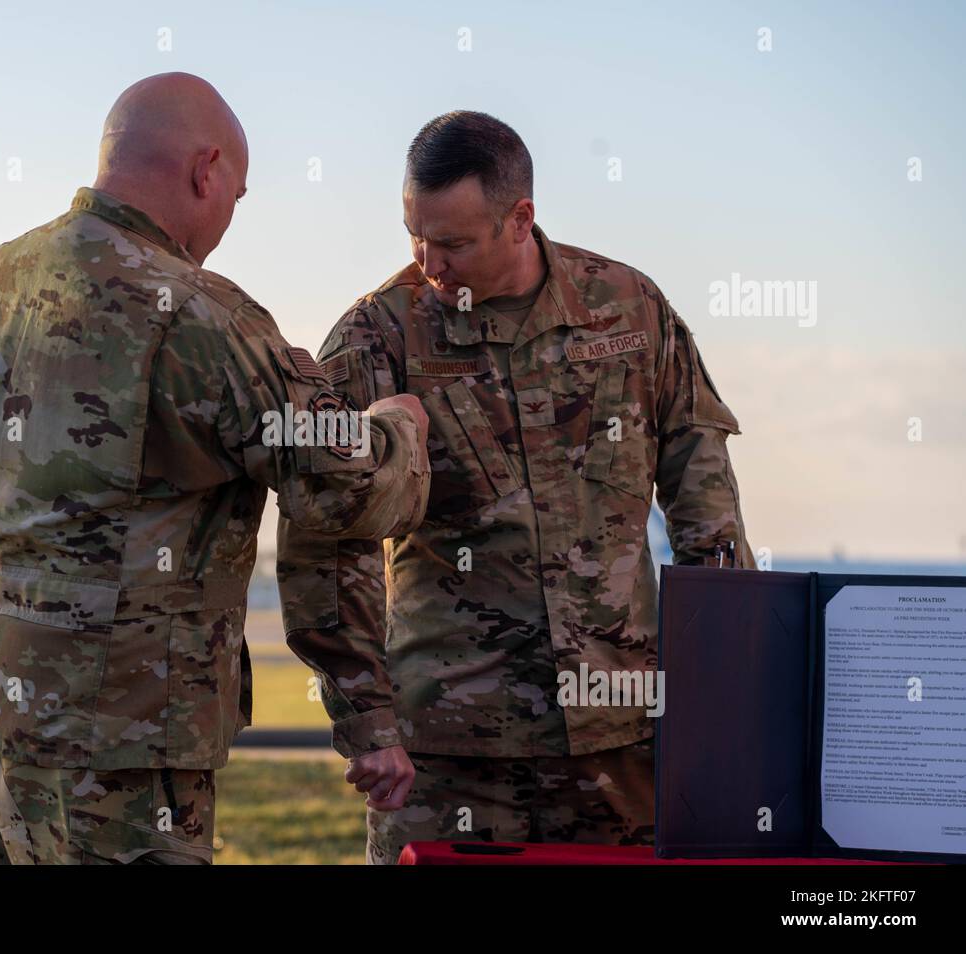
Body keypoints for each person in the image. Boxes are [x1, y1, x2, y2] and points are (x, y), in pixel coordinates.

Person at [0, 72, 430, 864]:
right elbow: (344, 490)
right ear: (206, 170)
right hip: (116, 734)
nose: (229, 216)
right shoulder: (199, 314)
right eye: (234, 194)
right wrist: (398, 428)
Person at [277, 110, 754, 864]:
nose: (430, 261)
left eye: (455, 241)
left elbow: (707, 513)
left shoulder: (629, 311)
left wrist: (730, 689)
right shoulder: (382, 335)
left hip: (621, 738)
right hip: (451, 752)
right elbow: (326, 538)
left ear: (521, 218)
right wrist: (365, 720)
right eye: (416, 233)